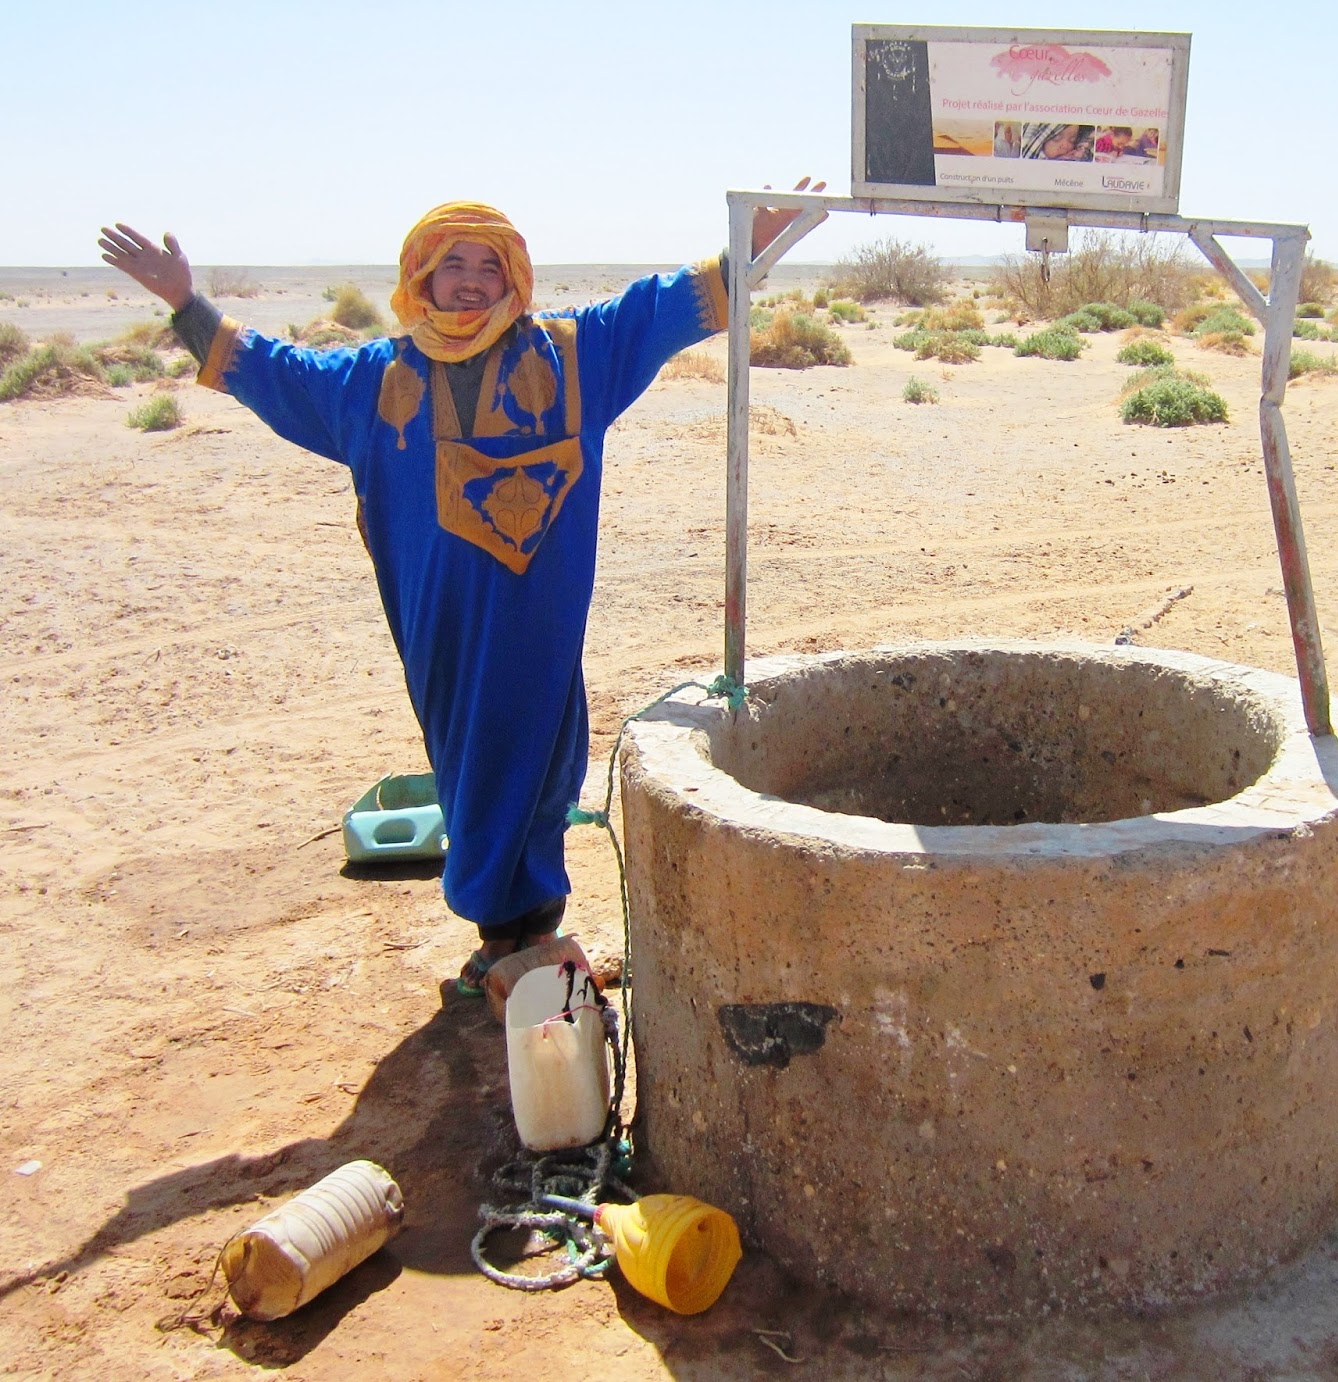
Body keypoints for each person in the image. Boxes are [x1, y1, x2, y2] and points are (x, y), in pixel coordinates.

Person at [99, 184, 820, 1004]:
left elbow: (654, 313)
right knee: (469, 767)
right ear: (422, 276)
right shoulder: (372, 381)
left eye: (489, 265)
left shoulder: (571, 356)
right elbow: (274, 373)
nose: (472, 281)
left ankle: (531, 932)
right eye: (454, 265)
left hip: (539, 631)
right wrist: (185, 304)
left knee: (543, 766)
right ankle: (502, 936)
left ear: (514, 276)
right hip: (443, 632)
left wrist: (746, 249)